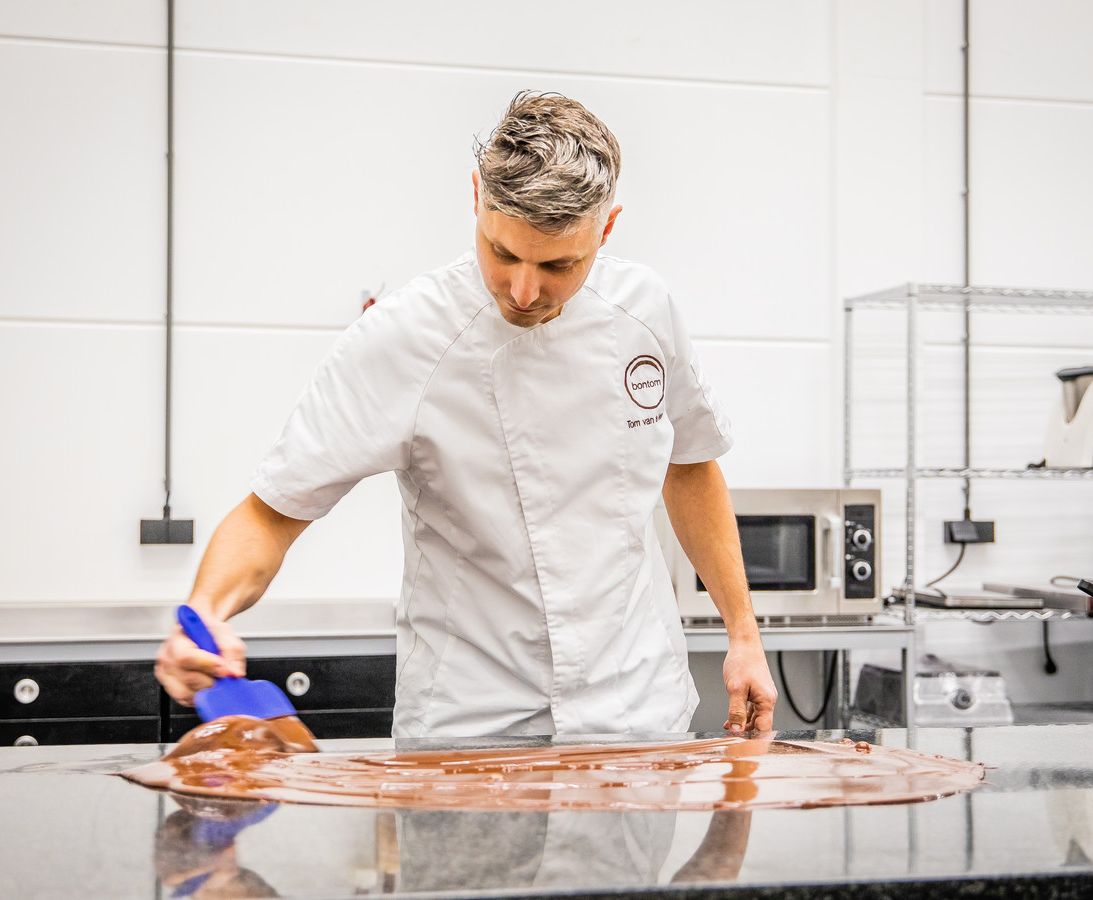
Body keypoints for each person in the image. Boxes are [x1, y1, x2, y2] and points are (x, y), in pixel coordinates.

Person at [155, 91, 777, 738]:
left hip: (633, 715)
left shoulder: (645, 311)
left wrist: (743, 635)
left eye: (560, 264)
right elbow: (271, 510)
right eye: (502, 253)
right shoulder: (404, 337)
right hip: (472, 725)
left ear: (607, 228)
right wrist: (204, 609)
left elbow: (691, 466)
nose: (524, 290)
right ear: (476, 196)